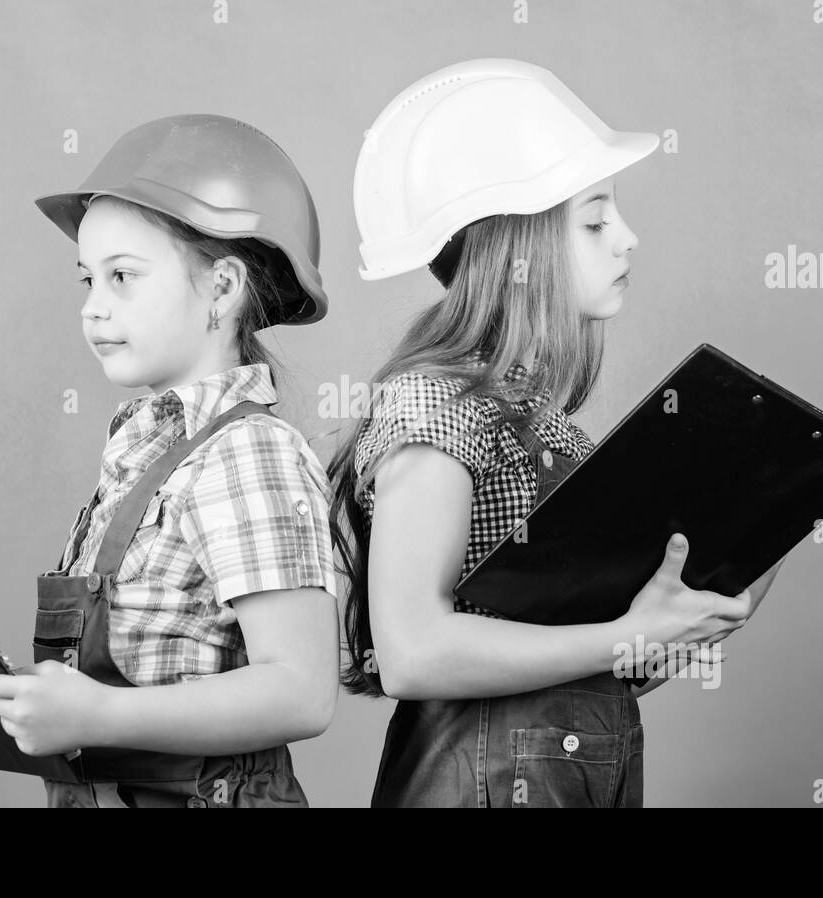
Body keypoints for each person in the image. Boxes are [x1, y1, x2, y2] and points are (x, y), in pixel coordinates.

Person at [328, 59, 785, 807]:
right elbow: (413, 651)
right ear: (517, 253)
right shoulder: (433, 406)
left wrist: (730, 570)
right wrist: (624, 634)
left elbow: (601, 665)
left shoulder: (553, 431)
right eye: (597, 219)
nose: (628, 238)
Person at [0, 115, 340, 807]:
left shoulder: (248, 455)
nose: (94, 309)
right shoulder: (146, 455)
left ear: (221, 289)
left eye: (123, 277)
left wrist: (99, 715)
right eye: (86, 280)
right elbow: (124, 670)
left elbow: (301, 692)